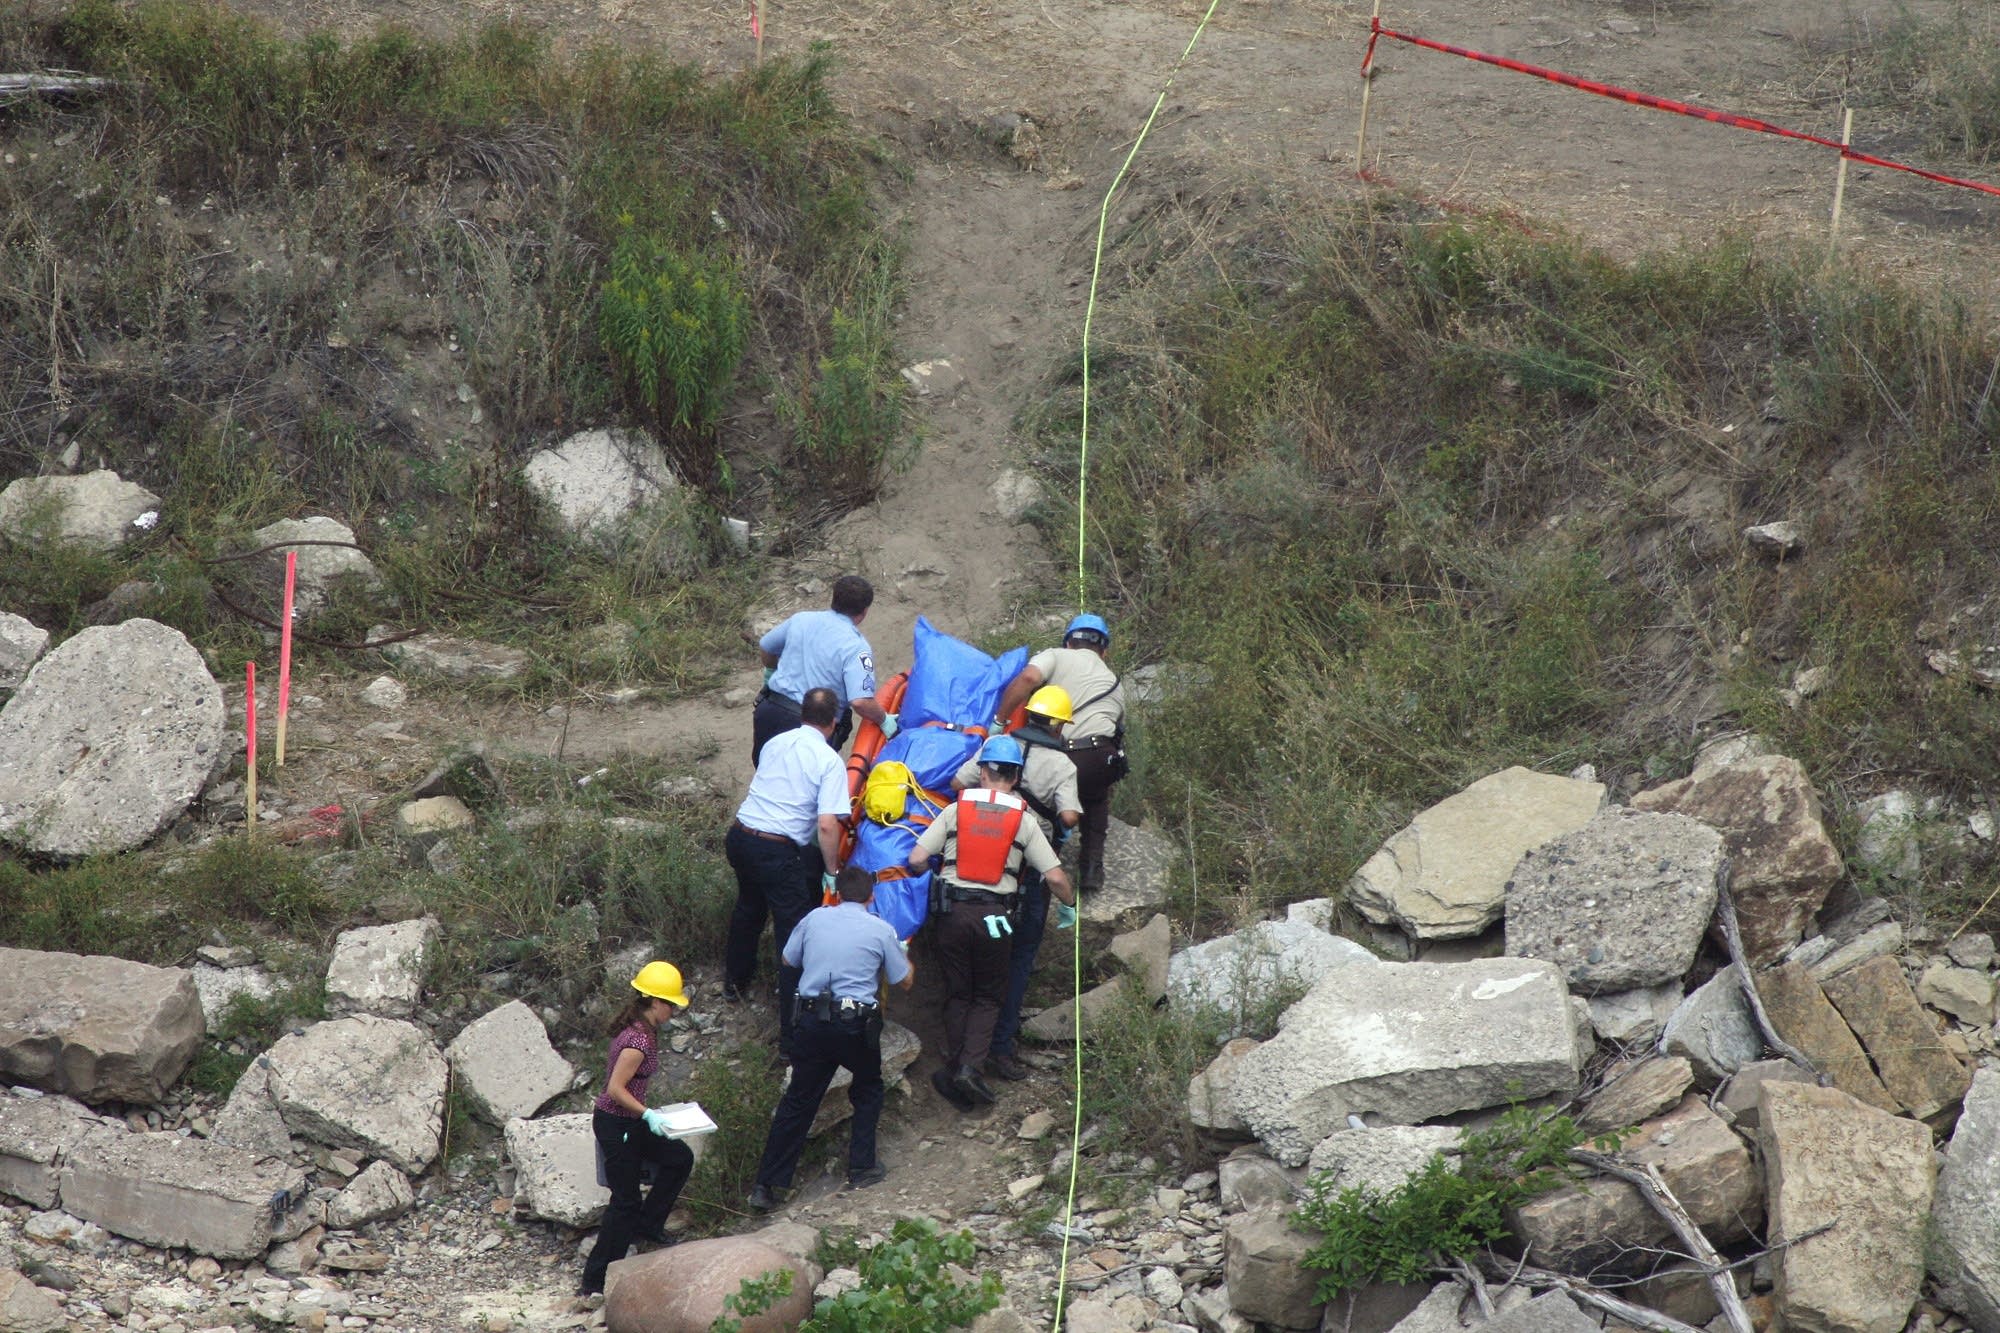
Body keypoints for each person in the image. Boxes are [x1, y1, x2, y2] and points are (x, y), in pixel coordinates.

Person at [908, 734, 1077, 1110]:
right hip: (995, 918)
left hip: (951, 914)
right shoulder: (1025, 820)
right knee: (988, 995)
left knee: (958, 993)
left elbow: (917, 857)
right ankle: (970, 1068)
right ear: (1015, 777)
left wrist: (940, 868)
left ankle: (954, 1066)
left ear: (982, 772)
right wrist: (1071, 904)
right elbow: (1054, 878)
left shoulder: (955, 810)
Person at [746, 866, 914, 1212]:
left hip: (810, 1020)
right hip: (855, 1025)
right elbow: (905, 981)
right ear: (871, 897)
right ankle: (861, 1167)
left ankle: (766, 1186)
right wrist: (903, 952)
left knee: (798, 1101)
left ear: (836, 893)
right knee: (867, 1090)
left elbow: (788, 959)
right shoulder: (881, 930)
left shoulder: (814, 918)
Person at [954, 685, 1080, 1083]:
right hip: (1026, 870)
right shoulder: (1063, 766)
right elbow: (1071, 817)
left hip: (975, 863)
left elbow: (959, 784)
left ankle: (963, 1049)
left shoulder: (997, 745)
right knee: (1018, 958)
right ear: (1059, 725)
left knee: (975, 961)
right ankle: (1000, 1049)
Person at [724, 686, 849, 1057]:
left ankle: (734, 984)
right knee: (793, 936)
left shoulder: (776, 743)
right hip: (777, 850)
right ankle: (791, 1038)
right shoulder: (829, 762)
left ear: (802, 714)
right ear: (834, 721)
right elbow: (828, 825)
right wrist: (832, 870)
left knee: (748, 908)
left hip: (741, 835)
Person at [580, 961, 695, 1296]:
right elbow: (615, 1089)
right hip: (618, 1125)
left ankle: (649, 1225)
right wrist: (649, 1114)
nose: (673, 1009)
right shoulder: (637, 1042)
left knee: (678, 1158)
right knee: (625, 1201)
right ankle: (594, 1280)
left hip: (632, 1121)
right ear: (655, 1002)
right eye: (670, 1003)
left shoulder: (644, 1029)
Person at [994, 613, 1126, 894]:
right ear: (1104, 650)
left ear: (1068, 642)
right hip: (1100, 756)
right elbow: (1117, 730)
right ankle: (1091, 869)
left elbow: (1029, 677)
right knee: (1096, 798)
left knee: (1034, 797)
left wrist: (999, 720)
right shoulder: (1114, 681)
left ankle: (1029, 865)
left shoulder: (1055, 655)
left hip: (1063, 753)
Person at [753, 574, 896, 763]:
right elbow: (860, 701)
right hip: (811, 728)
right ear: (864, 612)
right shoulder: (856, 646)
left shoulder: (801, 619)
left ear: (834, 599)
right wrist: (884, 719)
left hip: (770, 712)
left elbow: (766, 646)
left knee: (767, 775)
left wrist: (771, 671)